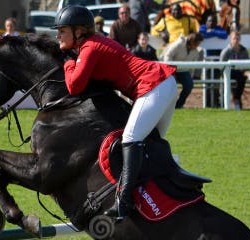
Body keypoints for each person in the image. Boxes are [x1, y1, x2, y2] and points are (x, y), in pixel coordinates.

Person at [53, 6, 178, 221]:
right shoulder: (93, 44)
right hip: (163, 83)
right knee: (150, 143)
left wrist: (68, 64)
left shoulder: (90, 47)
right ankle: (166, 192)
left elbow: (74, 86)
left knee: (131, 139)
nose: (58, 35)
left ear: (79, 31)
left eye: (62, 30)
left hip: (154, 84)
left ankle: (124, 202)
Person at [161, 32, 204, 109]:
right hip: (171, 70)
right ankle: (167, 105)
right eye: (197, 43)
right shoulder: (178, 44)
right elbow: (168, 55)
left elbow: (192, 65)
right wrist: (170, 71)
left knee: (189, 85)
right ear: (192, 41)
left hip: (183, 71)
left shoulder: (196, 51)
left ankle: (179, 105)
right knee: (170, 87)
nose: (198, 45)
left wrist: (191, 75)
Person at [219, 30, 249, 110]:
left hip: (240, 72)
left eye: (237, 38)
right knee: (238, 77)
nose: (236, 40)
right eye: (234, 38)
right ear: (231, 39)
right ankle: (236, 101)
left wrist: (245, 71)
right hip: (228, 73)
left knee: (242, 78)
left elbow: (246, 65)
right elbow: (221, 66)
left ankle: (236, 99)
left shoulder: (244, 51)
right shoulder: (226, 51)